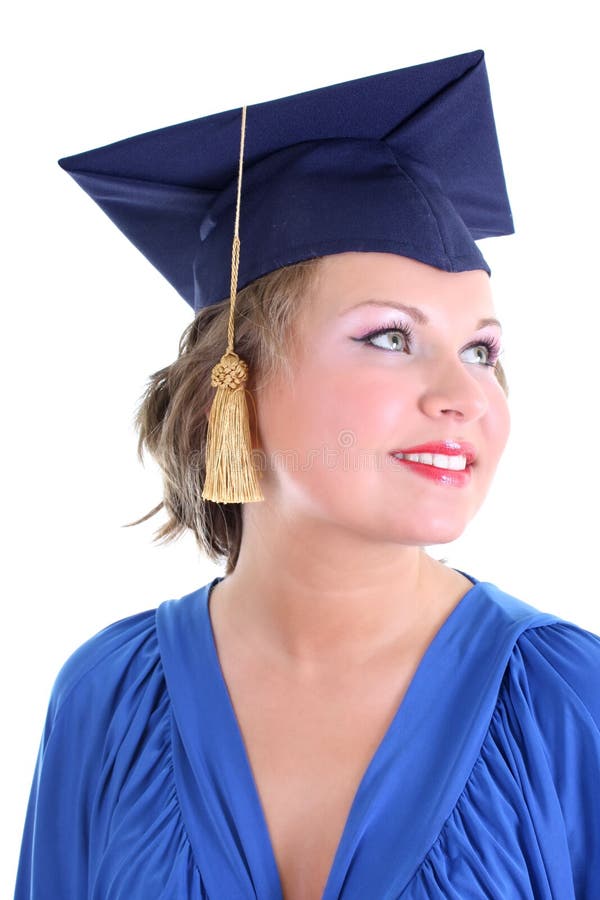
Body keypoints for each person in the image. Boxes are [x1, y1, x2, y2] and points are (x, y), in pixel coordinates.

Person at [14, 49, 600, 900]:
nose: (465, 395)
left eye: (482, 350)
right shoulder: (105, 696)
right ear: (234, 382)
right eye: (390, 336)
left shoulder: (568, 703)